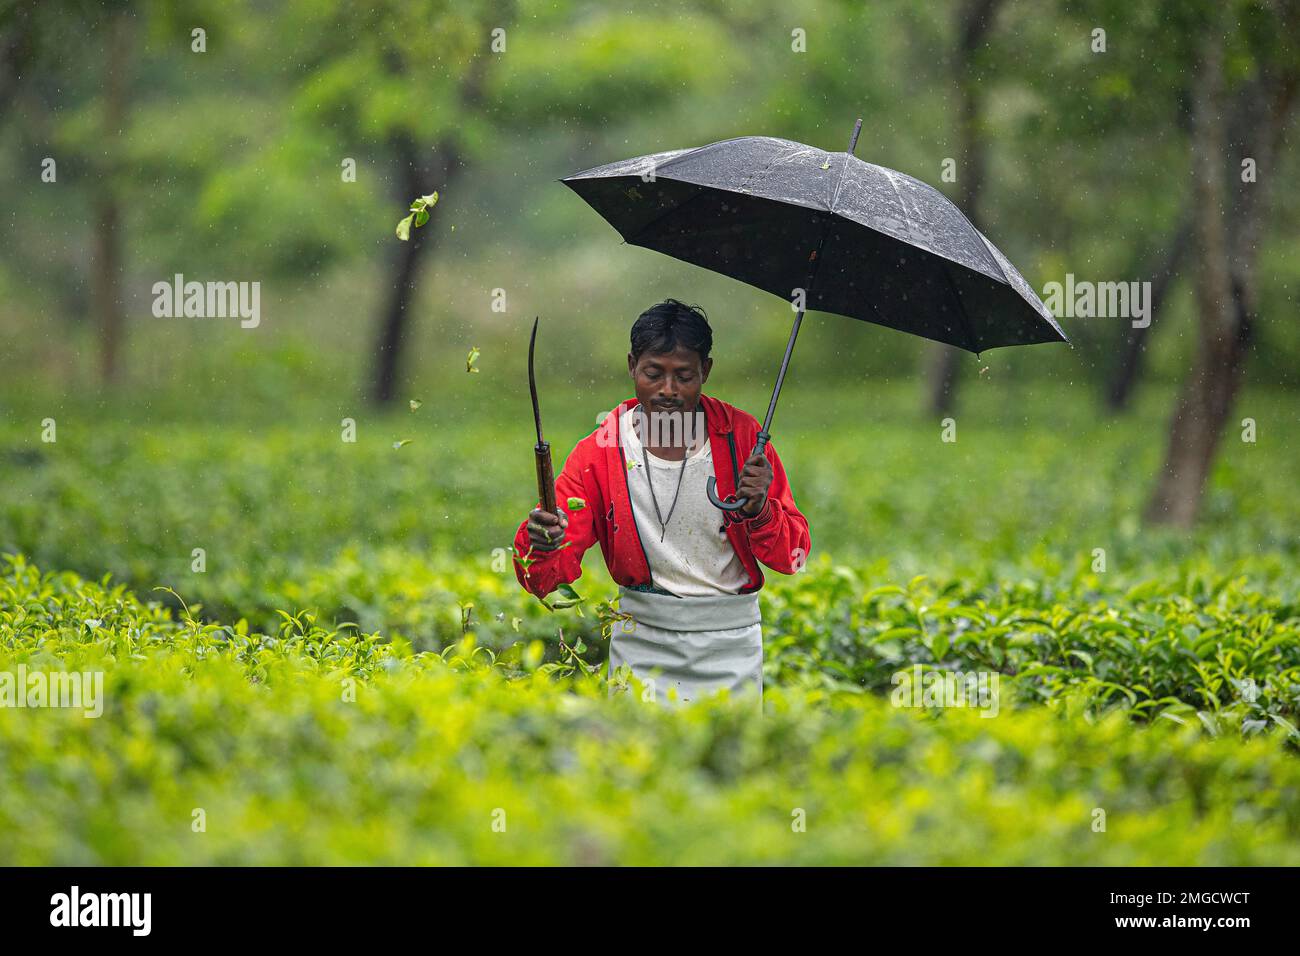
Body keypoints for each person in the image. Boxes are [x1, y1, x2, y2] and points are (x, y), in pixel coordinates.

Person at [512, 299, 811, 708]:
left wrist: (760, 510)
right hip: (642, 643)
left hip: (731, 646)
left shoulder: (742, 438)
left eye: (684, 376)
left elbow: (791, 558)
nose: (668, 391)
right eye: (654, 374)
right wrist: (542, 542)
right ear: (633, 365)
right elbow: (544, 578)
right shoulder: (600, 451)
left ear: (706, 371)